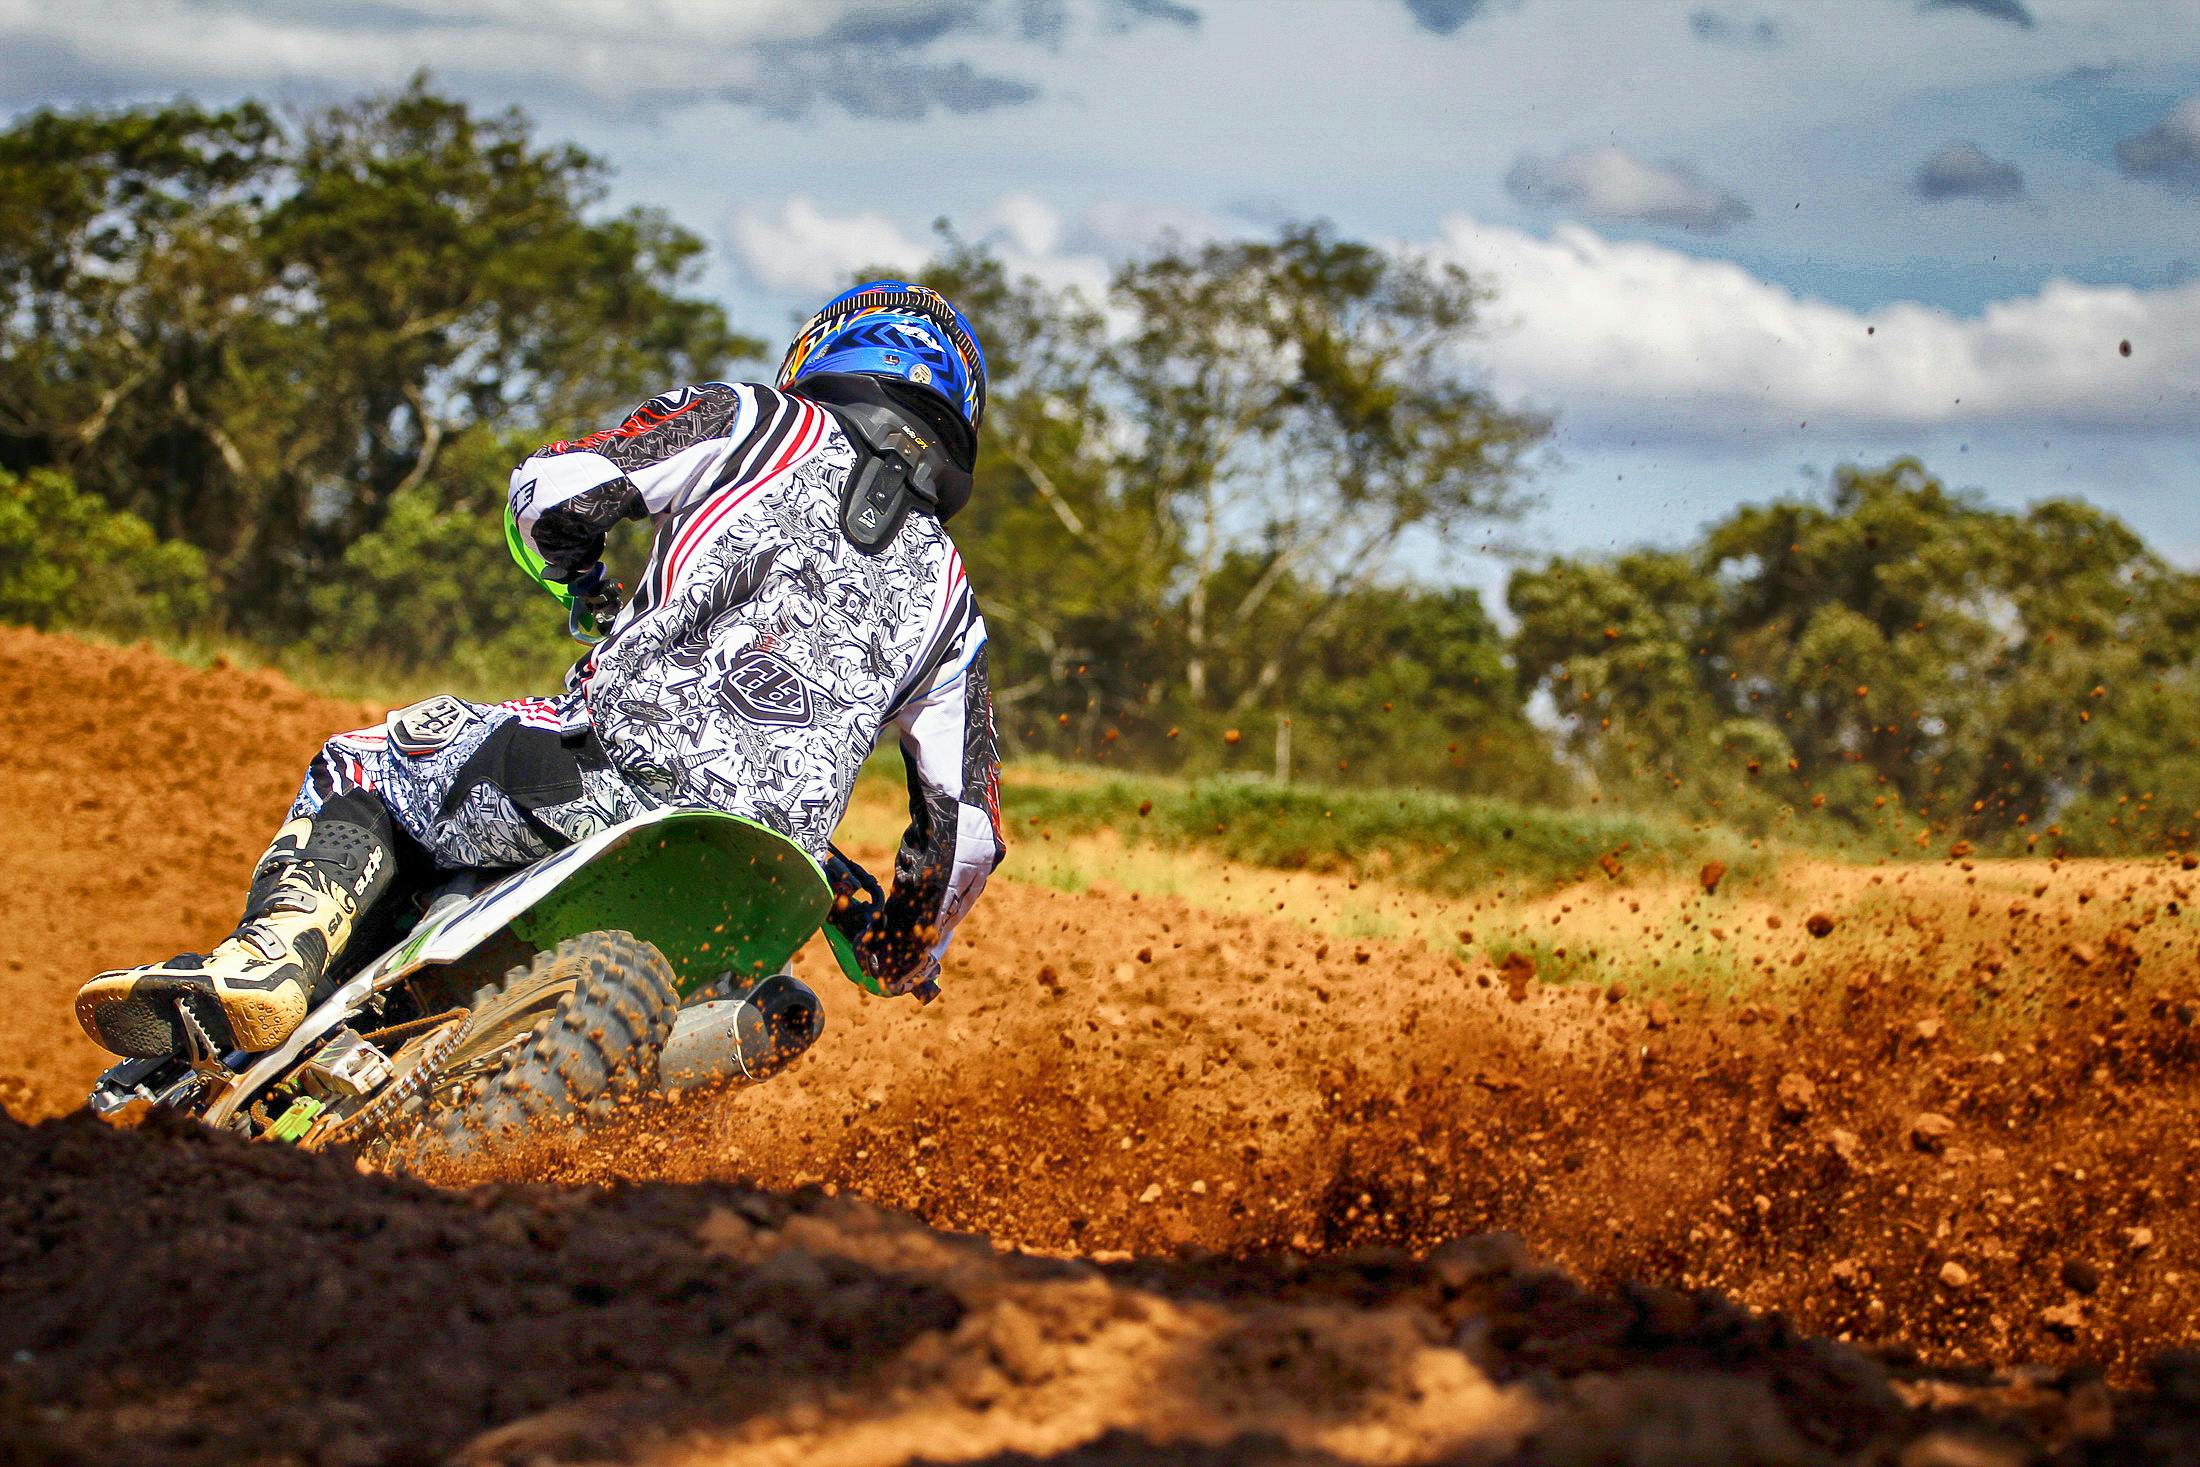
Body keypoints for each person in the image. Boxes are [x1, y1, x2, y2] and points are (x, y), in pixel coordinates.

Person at [76, 281, 1006, 1073]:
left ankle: (267, 965)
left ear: (828, 353)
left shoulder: (758, 419)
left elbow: (551, 491)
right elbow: (966, 836)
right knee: (782, 998)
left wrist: (578, 574)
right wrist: (898, 950)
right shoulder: (955, 603)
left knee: (369, 761)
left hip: (608, 773)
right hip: (769, 884)